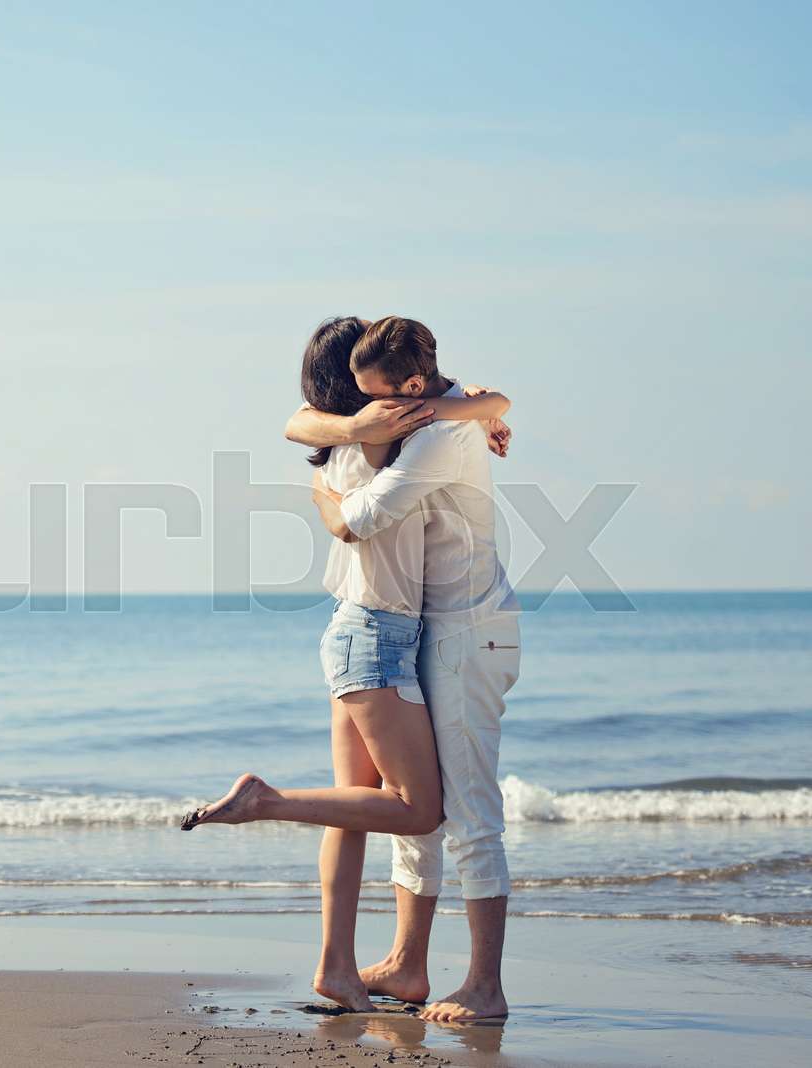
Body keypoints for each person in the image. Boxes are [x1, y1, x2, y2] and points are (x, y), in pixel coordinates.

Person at [181, 316, 512, 1015]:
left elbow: (311, 430)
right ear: (360, 396)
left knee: (360, 809)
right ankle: (266, 803)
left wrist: (479, 408)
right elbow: (350, 507)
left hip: (369, 631)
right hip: (383, 637)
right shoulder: (389, 444)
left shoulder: (385, 443)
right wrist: (475, 408)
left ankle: (348, 968)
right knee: (421, 811)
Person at [299, 316, 523, 1023]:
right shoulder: (412, 426)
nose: (377, 412)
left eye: (385, 400)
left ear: (411, 390)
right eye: (365, 402)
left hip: (465, 632)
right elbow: (302, 423)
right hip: (427, 626)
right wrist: (483, 405)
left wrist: (322, 497)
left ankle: (485, 986)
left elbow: (358, 518)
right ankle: (406, 962)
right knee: (414, 810)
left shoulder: (435, 436)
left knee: (468, 809)